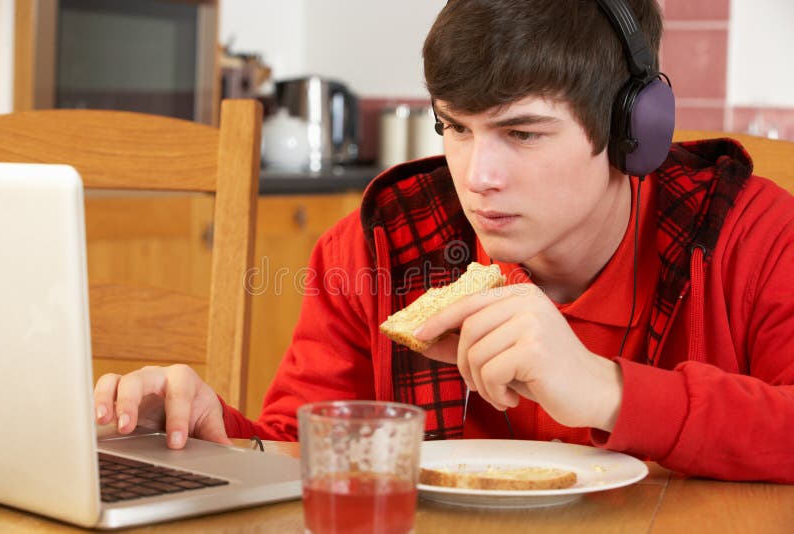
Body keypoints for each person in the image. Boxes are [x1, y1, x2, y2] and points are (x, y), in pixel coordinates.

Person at [94, 0, 794, 483]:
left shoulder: (753, 236)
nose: (477, 177)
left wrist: (607, 391)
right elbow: (301, 449)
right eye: (454, 127)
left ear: (630, 131)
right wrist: (216, 437)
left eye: (521, 133)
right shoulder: (371, 252)